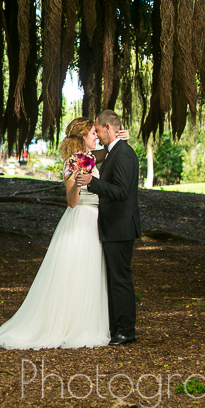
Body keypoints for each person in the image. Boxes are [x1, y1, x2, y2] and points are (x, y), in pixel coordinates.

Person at [0, 117, 126, 350]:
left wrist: (121, 139)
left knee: (90, 272)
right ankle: (70, 325)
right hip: (80, 218)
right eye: (93, 133)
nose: (96, 136)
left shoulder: (91, 157)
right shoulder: (72, 163)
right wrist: (78, 183)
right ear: (82, 137)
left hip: (96, 220)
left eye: (97, 132)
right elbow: (71, 202)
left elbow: (109, 152)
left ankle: (87, 320)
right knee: (75, 272)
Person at [76, 109, 141, 346]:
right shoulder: (115, 151)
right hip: (115, 226)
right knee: (115, 279)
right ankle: (116, 328)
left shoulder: (123, 154)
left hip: (121, 227)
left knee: (120, 279)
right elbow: (96, 154)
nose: (98, 134)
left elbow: (122, 191)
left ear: (108, 129)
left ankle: (126, 330)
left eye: (98, 130)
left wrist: (94, 182)